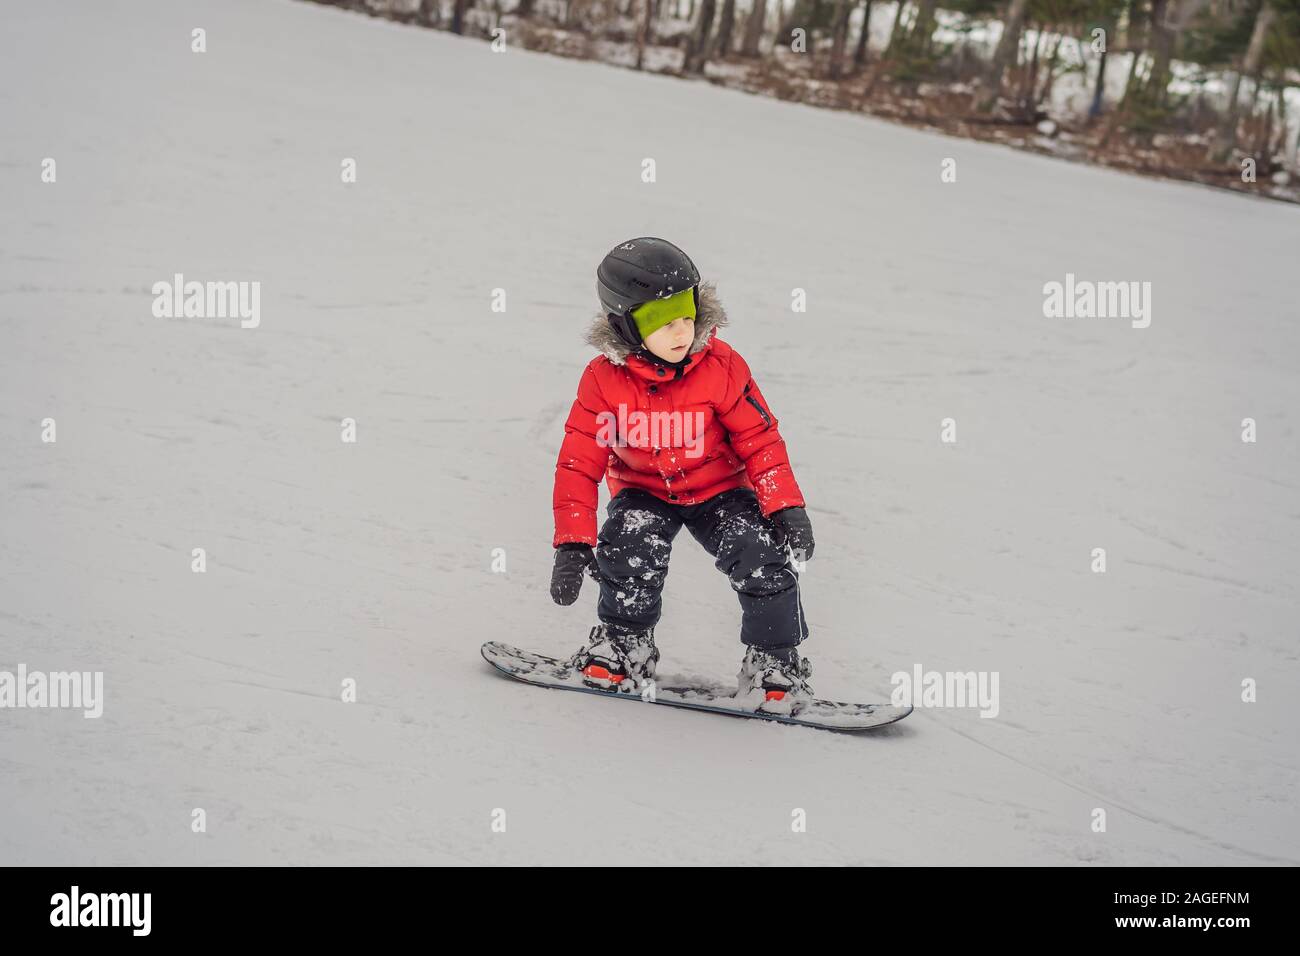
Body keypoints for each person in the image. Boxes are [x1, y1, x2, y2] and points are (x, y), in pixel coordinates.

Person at [549, 237, 816, 715]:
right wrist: (573, 540)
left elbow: (761, 439)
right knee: (629, 548)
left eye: (687, 316)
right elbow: (578, 460)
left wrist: (785, 505)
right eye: (662, 322)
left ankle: (776, 661)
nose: (681, 332)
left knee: (760, 553)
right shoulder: (603, 380)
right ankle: (624, 643)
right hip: (644, 492)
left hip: (720, 490)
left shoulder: (722, 368)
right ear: (625, 326)